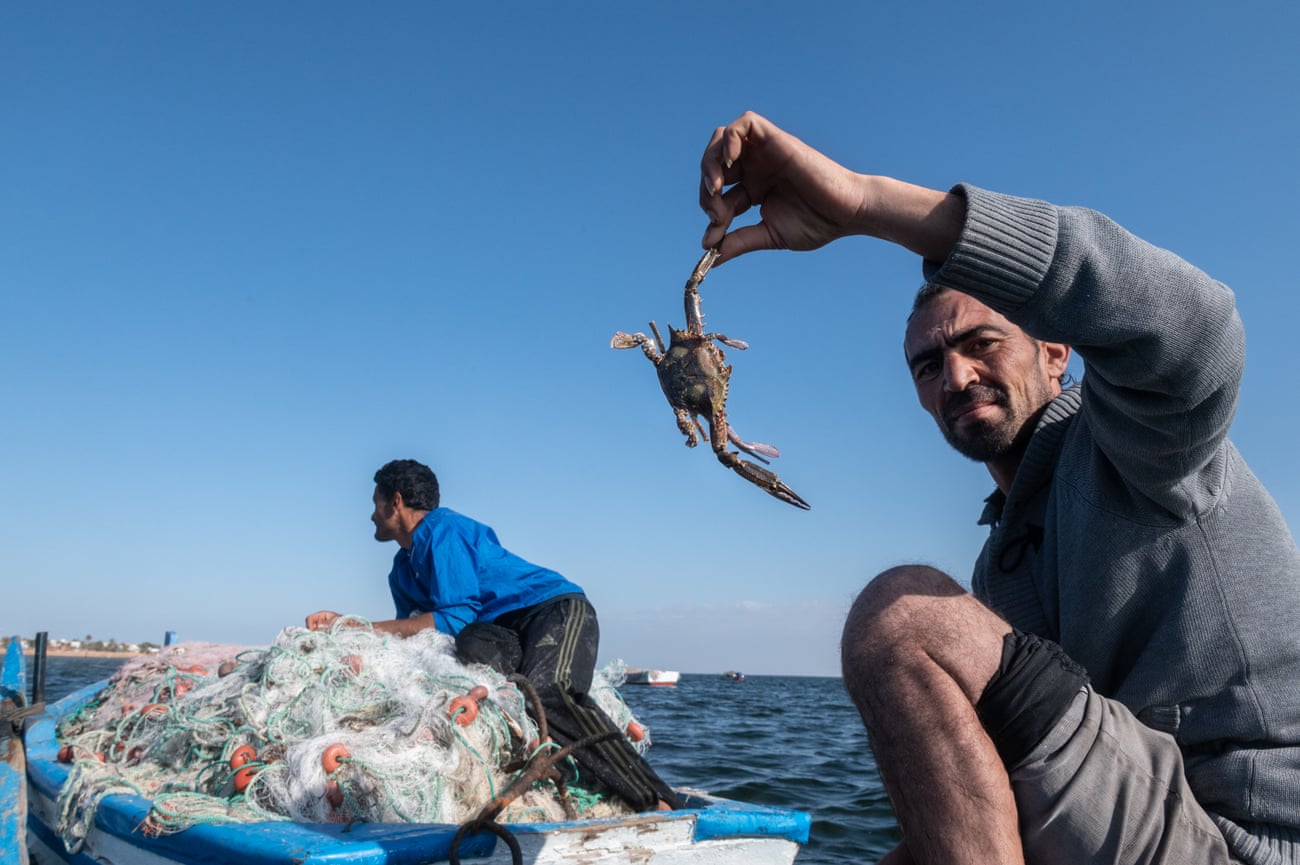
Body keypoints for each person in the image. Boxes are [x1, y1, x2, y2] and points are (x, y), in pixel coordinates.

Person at [699, 112, 1300, 864]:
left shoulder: (1148, 444)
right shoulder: (1000, 567)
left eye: (980, 342)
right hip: (1123, 818)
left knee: (903, 612)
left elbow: (1198, 328)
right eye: (927, 365)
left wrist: (861, 203)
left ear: (1056, 352)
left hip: (1243, 840)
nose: (954, 376)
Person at [306, 459, 680, 813]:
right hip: (503, 633)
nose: (372, 514)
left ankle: (654, 798)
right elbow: (421, 636)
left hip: (552, 610)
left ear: (396, 503)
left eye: (376, 503)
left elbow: (454, 615)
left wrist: (362, 627)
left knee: (550, 694)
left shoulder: (443, 530)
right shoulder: (401, 570)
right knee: (473, 650)